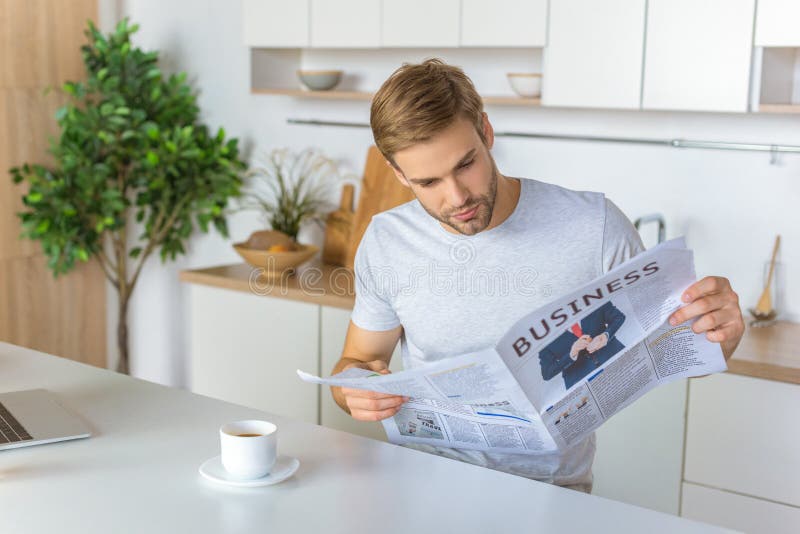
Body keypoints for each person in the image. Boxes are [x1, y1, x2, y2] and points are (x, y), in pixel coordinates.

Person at [330, 58, 744, 493]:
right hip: (426, 485)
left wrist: (721, 336)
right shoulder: (387, 240)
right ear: (398, 173)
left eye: (466, 164)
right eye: (428, 182)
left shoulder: (594, 226)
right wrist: (354, 391)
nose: (457, 197)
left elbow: (668, 349)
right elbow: (355, 363)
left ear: (486, 132)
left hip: (553, 494)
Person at [539, 301, 627, 389]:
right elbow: (547, 373)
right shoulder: (541, 332)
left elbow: (618, 317)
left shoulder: (590, 298)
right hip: (581, 381)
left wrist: (606, 336)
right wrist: (572, 353)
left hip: (617, 360)